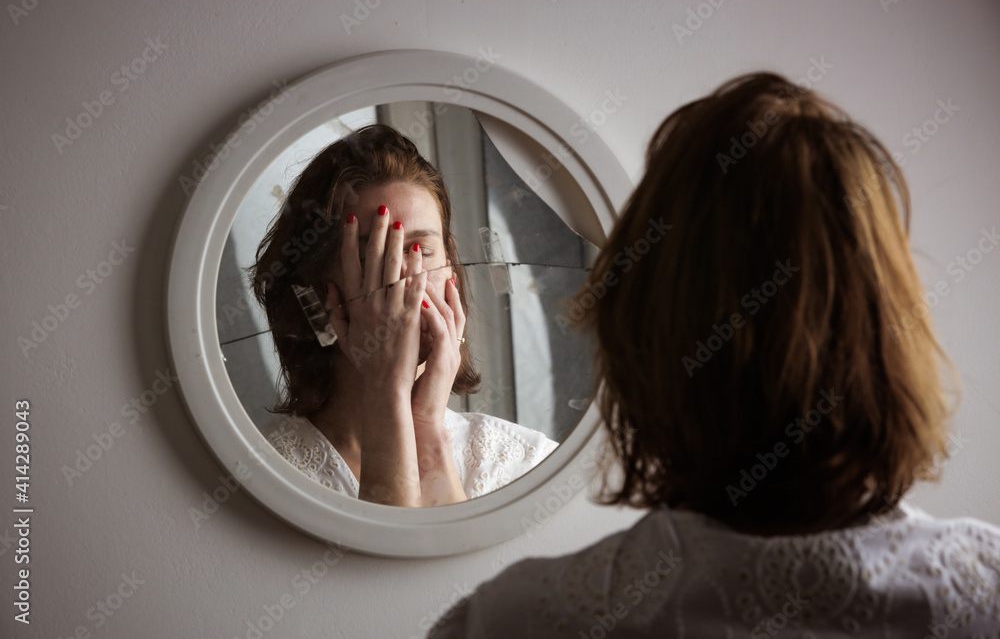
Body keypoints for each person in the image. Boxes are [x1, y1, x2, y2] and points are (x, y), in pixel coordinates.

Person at [428, 72, 1000, 636]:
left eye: (420, 248)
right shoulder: (982, 594)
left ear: (639, 332)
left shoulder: (516, 620)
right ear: (888, 334)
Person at [249, 124, 557, 507]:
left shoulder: (525, 463)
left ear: (452, 271)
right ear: (314, 292)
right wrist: (386, 391)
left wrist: (426, 426)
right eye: (374, 257)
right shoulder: (259, 478)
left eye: (422, 251)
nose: (407, 279)